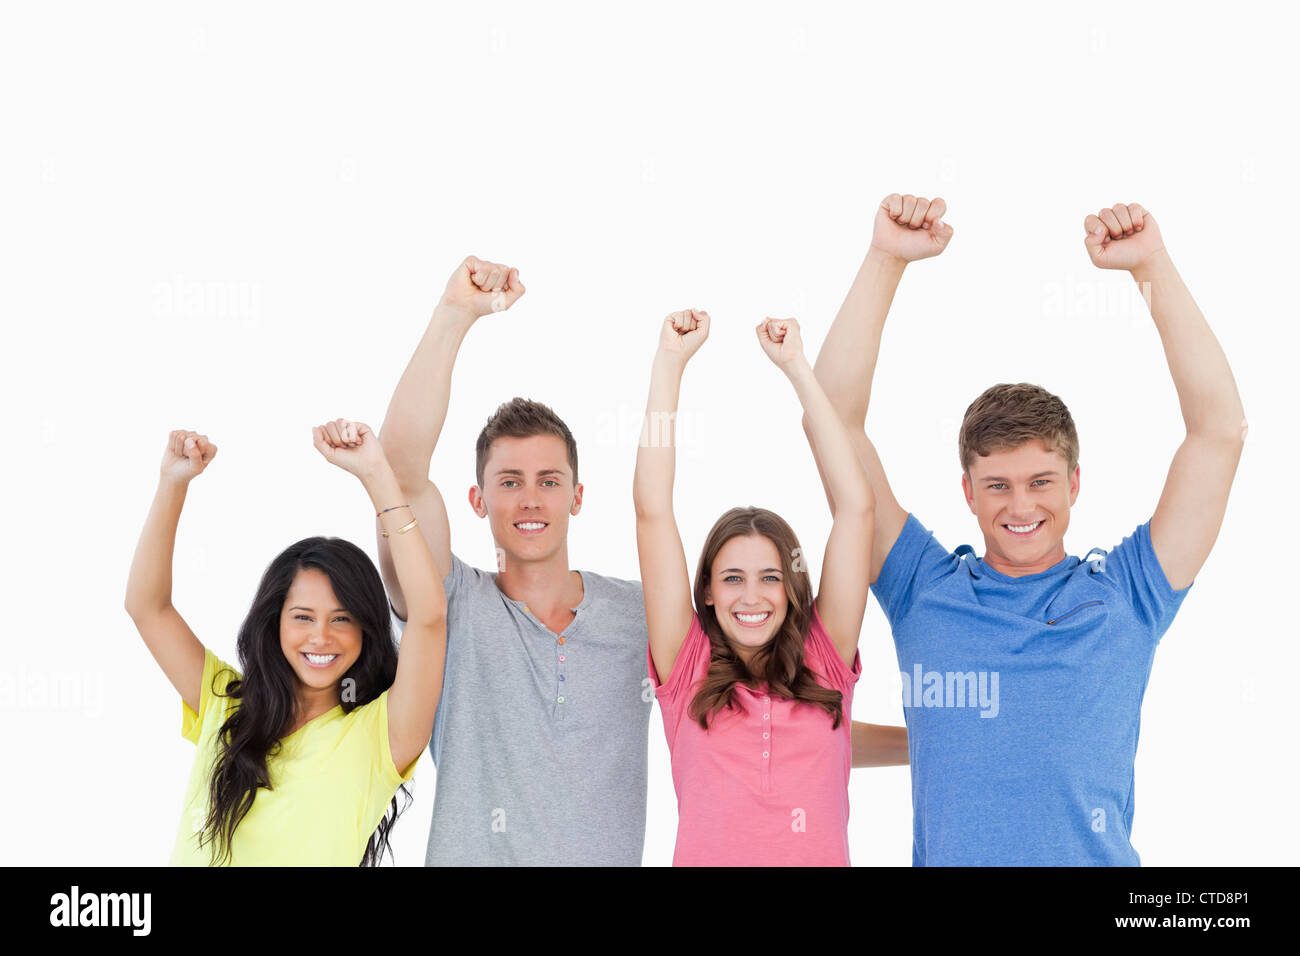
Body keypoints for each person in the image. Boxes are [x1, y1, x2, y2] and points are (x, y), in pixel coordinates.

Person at [811, 193, 1246, 865]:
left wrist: (1150, 267)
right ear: (968, 492)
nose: (1021, 505)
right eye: (998, 485)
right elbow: (831, 418)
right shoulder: (921, 587)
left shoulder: (1131, 592)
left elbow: (1219, 432)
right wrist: (885, 259)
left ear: (1074, 484)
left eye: (1041, 482)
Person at [377, 257, 651, 866]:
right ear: (477, 500)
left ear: (577, 497)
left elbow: (758, 706)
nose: (530, 498)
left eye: (549, 481)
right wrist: (455, 316)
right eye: (509, 481)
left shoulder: (641, 614)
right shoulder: (447, 606)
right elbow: (396, 474)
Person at [636, 308, 907, 866]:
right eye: (732, 578)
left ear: (792, 589)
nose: (752, 596)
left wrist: (797, 368)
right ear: (707, 591)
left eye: (770, 578)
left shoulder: (823, 662)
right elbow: (652, 512)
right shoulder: (685, 671)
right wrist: (669, 365)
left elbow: (857, 509)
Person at [125, 419, 446, 865]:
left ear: (365, 630)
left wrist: (376, 475)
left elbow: (429, 617)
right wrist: (172, 483)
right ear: (274, 623)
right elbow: (147, 607)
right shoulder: (226, 705)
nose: (321, 636)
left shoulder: (381, 736)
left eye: (342, 619)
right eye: (302, 617)